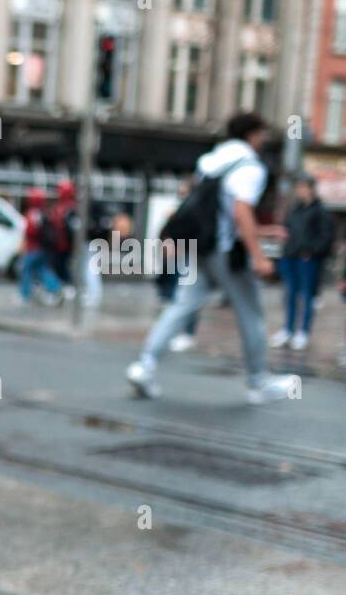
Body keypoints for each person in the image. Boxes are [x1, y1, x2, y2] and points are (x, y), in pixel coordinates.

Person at [127, 112, 298, 404]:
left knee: (180, 306)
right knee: (251, 314)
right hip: (227, 252)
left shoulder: (211, 160)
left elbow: (208, 207)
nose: (264, 140)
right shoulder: (250, 166)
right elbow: (240, 211)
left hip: (201, 247)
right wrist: (258, 256)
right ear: (253, 135)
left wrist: (261, 231)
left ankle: (144, 365)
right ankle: (258, 382)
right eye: (262, 134)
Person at [272, 175, 334, 351]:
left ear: (311, 189)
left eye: (303, 187)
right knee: (289, 294)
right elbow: (287, 230)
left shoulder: (320, 211)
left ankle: (303, 332)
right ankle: (288, 330)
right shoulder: (294, 209)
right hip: (290, 256)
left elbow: (326, 237)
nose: (299, 191)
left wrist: (312, 251)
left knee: (307, 296)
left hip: (307, 259)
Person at [156, 177, 200, 353]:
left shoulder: (194, 209)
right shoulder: (182, 208)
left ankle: (188, 334)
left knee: (188, 294)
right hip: (179, 253)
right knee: (178, 294)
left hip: (188, 254)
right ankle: (179, 333)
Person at [17, 188, 62, 305]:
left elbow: (29, 231)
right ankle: (55, 287)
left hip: (33, 248)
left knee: (26, 270)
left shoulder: (33, 213)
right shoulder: (45, 212)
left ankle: (25, 295)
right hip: (44, 248)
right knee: (41, 269)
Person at [42, 180, 78, 295]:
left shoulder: (71, 208)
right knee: (56, 266)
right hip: (56, 244)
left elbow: (71, 227)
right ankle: (60, 288)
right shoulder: (58, 207)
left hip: (64, 245)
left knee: (62, 266)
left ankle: (67, 287)